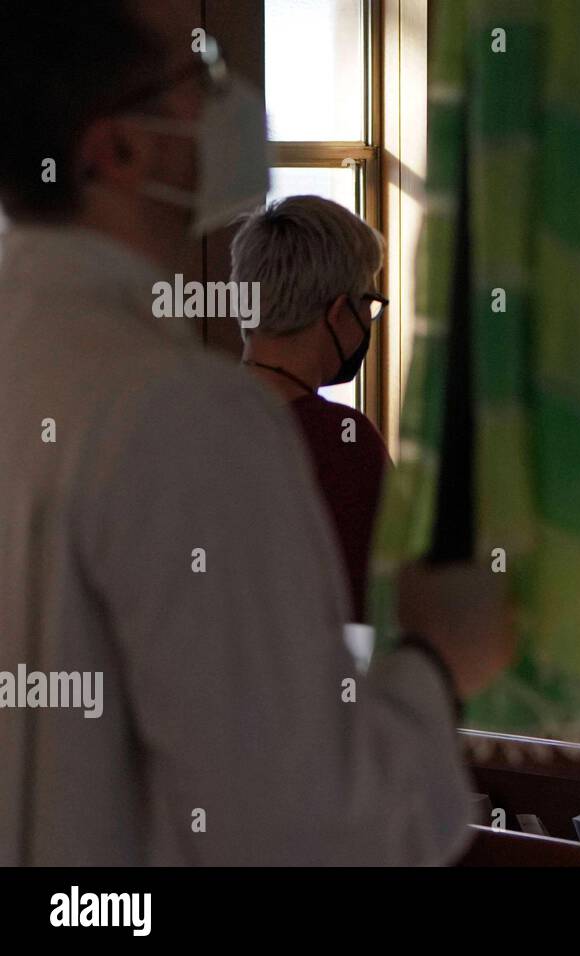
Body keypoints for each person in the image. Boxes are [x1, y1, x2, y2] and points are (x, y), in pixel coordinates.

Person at [0, 1, 513, 865]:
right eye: (192, 86)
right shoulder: (189, 417)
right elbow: (308, 826)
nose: (221, 110)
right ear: (117, 147)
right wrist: (437, 664)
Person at [233, 196, 391, 622]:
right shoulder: (346, 446)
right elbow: (386, 611)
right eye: (368, 303)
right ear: (339, 313)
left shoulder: (187, 425)